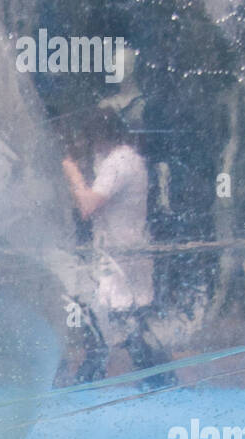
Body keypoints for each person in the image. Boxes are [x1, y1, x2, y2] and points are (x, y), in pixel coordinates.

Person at [61, 105, 177, 390]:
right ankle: (152, 380)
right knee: (117, 322)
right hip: (121, 253)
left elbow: (88, 205)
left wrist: (71, 171)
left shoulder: (119, 162)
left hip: (121, 256)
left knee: (120, 323)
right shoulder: (123, 158)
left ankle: (156, 380)